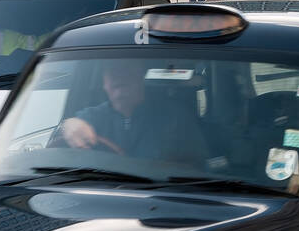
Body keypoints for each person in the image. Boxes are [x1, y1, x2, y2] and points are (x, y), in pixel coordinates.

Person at [59, 59, 209, 166]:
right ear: (104, 83)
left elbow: (198, 166)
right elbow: (61, 146)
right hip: (101, 195)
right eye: (111, 70)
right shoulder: (90, 118)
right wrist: (68, 125)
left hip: (163, 198)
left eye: (126, 68)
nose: (118, 75)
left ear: (140, 76)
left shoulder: (176, 117)